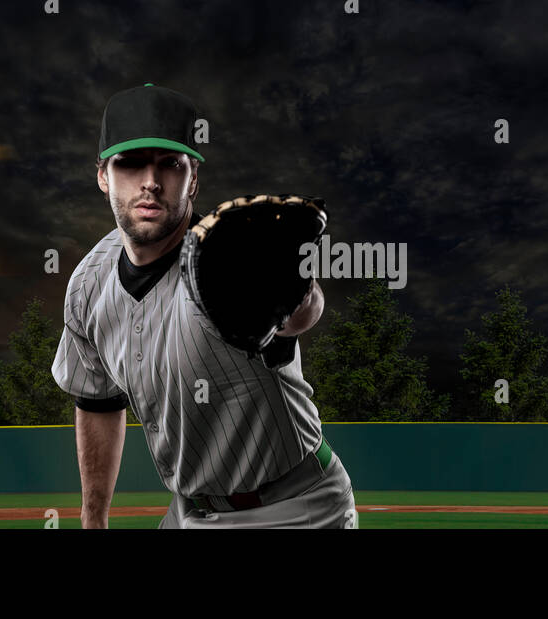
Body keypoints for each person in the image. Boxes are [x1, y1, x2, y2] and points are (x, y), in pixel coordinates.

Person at [51, 84, 357, 529]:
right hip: (188, 510)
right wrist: (93, 520)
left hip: (293, 509)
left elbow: (298, 313)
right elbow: (97, 403)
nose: (150, 181)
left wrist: (300, 294)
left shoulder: (228, 263)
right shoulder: (87, 285)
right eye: (131, 163)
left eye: (170, 164)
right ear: (103, 175)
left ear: (193, 177)